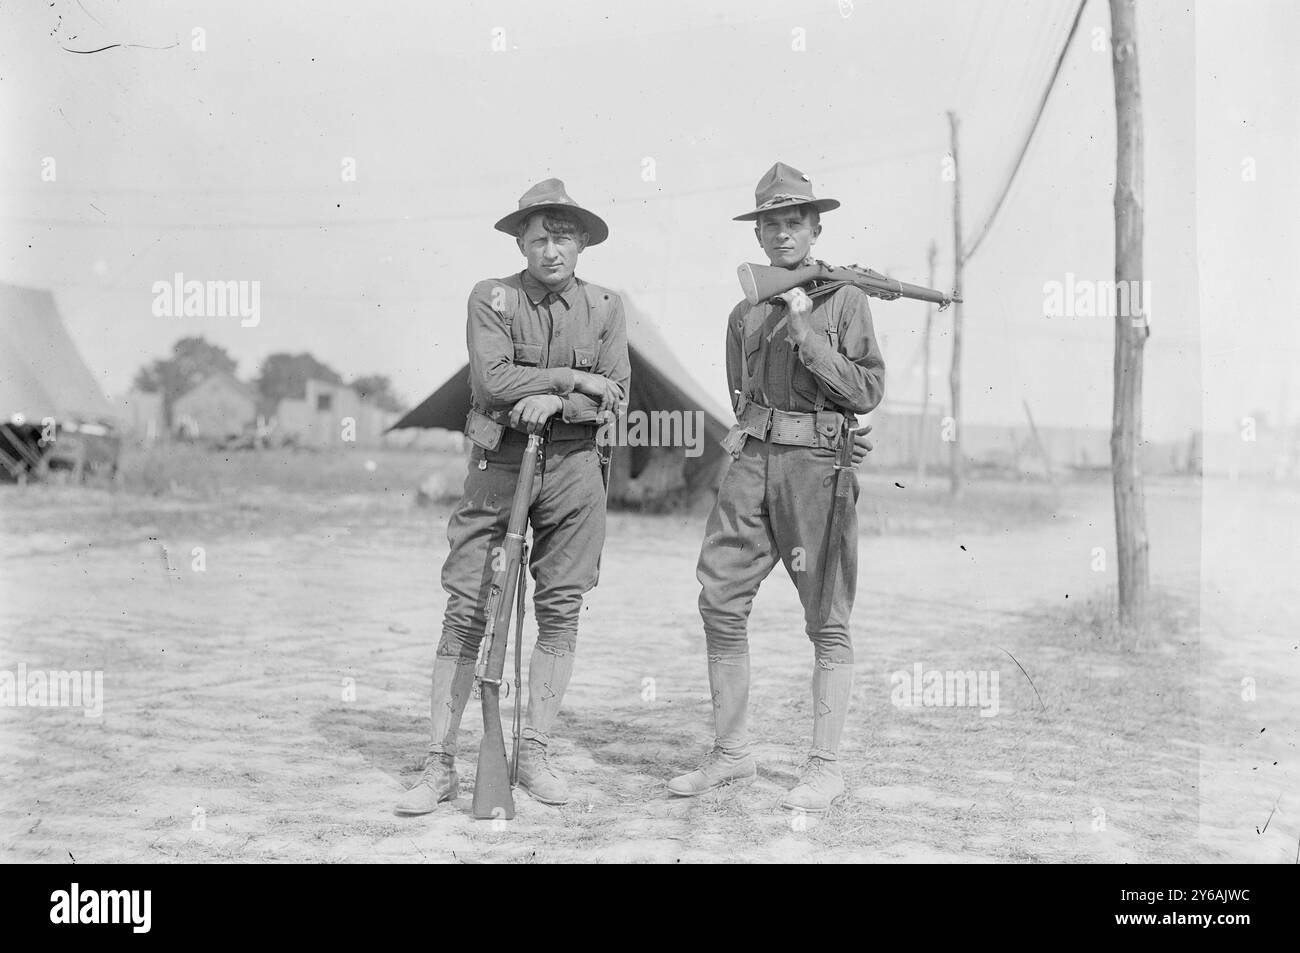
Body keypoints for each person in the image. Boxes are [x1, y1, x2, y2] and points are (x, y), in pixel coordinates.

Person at [396, 178, 630, 815]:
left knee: (561, 608)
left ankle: (534, 752)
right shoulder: (491, 297)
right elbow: (493, 380)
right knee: (468, 607)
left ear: (581, 243)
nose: (551, 250)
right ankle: (439, 761)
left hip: (577, 472)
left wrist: (557, 398)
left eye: (563, 237)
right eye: (538, 238)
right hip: (499, 466)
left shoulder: (608, 307)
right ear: (521, 243)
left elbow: (616, 395)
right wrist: (572, 376)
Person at [669, 162, 884, 813]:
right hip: (754, 461)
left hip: (817, 466)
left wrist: (808, 334)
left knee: (827, 616)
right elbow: (743, 394)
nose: (782, 233)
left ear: (815, 227)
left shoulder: (845, 299)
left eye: (794, 221)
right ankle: (732, 754)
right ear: (758, 234)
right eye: (771, 223)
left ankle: (824, 765)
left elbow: (867, 390)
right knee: (719, 596)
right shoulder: (745, 311)